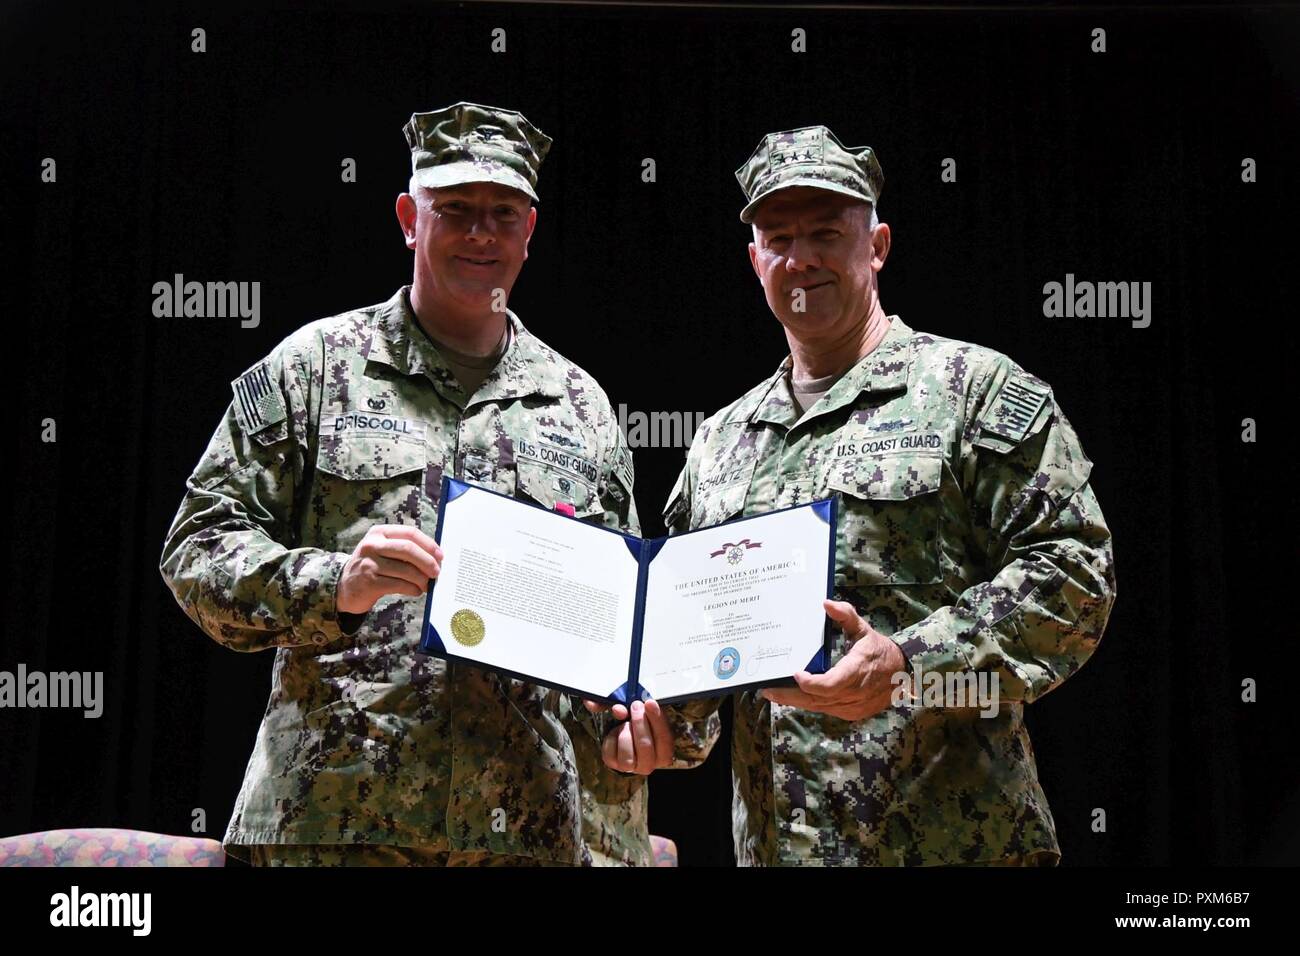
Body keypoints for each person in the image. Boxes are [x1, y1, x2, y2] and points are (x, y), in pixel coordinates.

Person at [159, 101, 667, 866]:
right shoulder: (316, 366)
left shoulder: (581, 405)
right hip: (335, 822)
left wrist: (629, 719)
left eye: (503, 212)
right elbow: (196, 551)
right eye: (454, 209)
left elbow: (625, 628)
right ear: (409, 216)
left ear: (530, 230)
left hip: (523, 831)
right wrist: (335, 582)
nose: (479, 233)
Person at [656, 124, 1117, 865]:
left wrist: (911, 662)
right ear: (754, 260)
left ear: (877, 246)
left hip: (951, 848)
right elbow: (689, 650)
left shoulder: (974, 392)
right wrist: (652, 724)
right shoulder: (720, 442)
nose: (800, 258)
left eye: (825, 234)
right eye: (778, 237)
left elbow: (1074, 576)